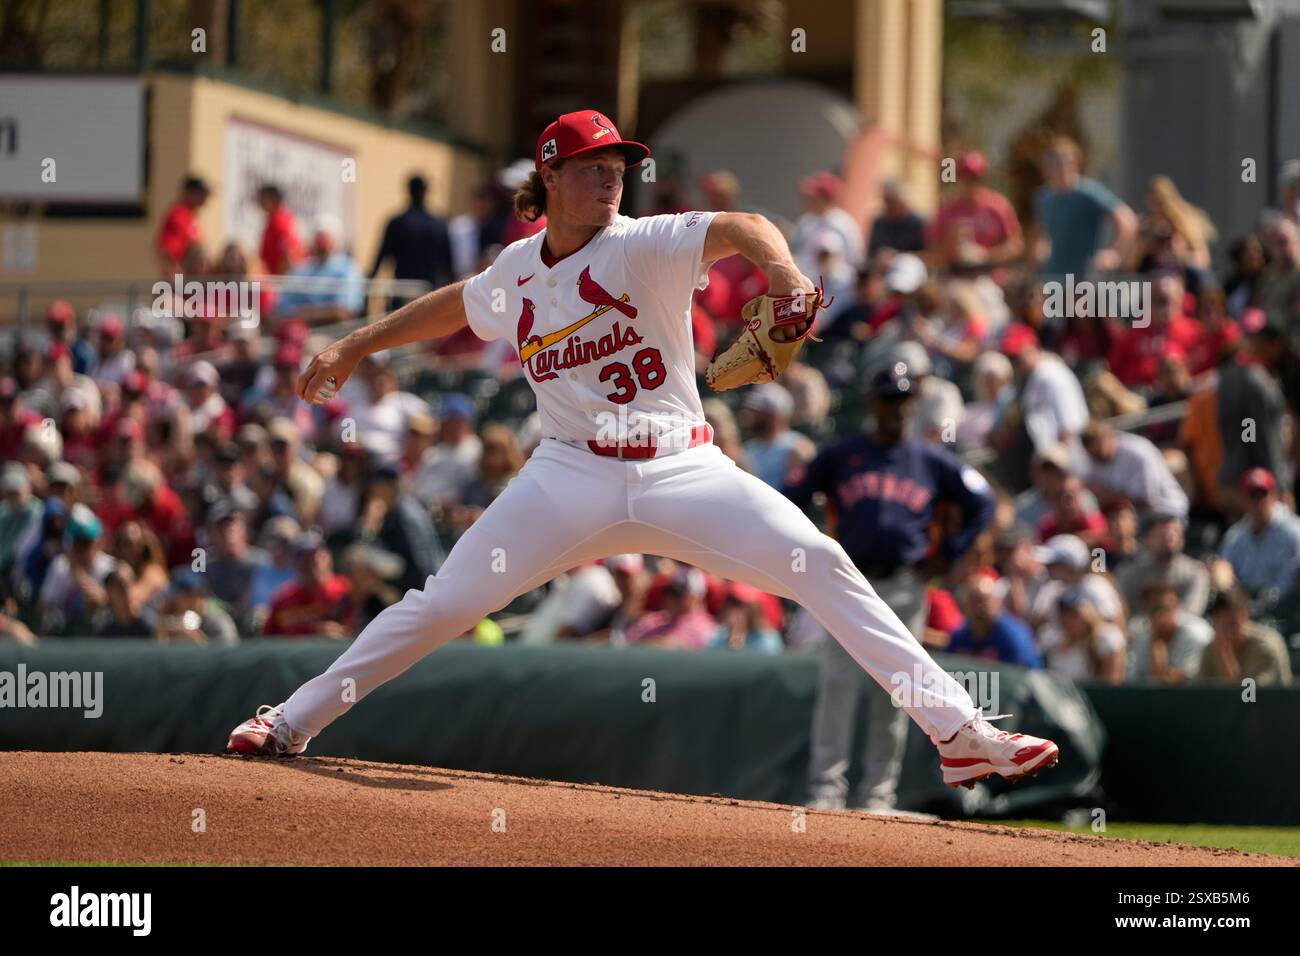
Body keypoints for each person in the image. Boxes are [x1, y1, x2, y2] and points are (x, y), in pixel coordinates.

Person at [226, 107, 1059, 792]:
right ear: (549, 175)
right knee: (445, 604)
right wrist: (356, 345)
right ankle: (291, 721)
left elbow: (743, 224)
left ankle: (960, 733)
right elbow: (458, 304)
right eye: (592, 164)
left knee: (821, 561)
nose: (612, 175)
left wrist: (783, 275)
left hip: (680, 467)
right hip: (567, 474)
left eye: (620, 163)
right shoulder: (516, 269)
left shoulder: (642, 242)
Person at [784, 361, 998, 812]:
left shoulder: (931, 460)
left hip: (904, 585)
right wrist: (811, 550)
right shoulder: (842, 454)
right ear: (872, 402)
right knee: (837, 689)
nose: (896, 408)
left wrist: (948, 553)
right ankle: (827, 793)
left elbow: (982, 501)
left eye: (903, 399)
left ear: (912, 404)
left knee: (899, 696)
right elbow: (791, 497)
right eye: (888, 399)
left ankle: (878, 797)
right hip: (849, 584)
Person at [1032, 135, 1137, 278]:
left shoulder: (1089, 191)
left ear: (1074, 163)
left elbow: (1127, 219)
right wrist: (1041, 249)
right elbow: (1043, 233)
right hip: (1053, 276)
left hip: (1084, 278)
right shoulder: (1044, 197)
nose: (1060, 167)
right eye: (1053, 161)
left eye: (1063, 161)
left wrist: (1115, 253)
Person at [1217, 468, 1300, 609]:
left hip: (1288, 610)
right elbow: (1222, 566)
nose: (1258, 502)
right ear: (1243, 500)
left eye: (1262, 495)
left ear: (1273, 495)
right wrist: (1223, 579)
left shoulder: (1293, 531)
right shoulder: (1237, 535)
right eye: (1252, 496)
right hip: (1247, 610)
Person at [370, 174, 455, 306]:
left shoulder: (397, 222)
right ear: (426, 192)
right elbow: (448, 265)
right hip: (429, 293)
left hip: (401, 292)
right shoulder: (438, 224)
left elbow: (381, 257)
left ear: (408, 190)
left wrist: (368, 292)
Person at [1114, 512, 1209, 617]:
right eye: (1162, 533)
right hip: (1141, 628)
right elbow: (1123, 609)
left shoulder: (1195, 572)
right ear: (1147, 539)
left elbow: (1192, 611)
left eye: (1175, 532)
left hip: (1181, 627)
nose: (1169, 537)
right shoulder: (1131, 572)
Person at [1200, 587, 1293, 686]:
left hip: (1274, 701)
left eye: (1232, 623)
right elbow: (1198, 694)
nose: (1225, 631)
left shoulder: (1263, 646)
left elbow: (1249, 696)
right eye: (1219, 622)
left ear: (1245, 616)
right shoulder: (1212, 647)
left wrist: (1225, 656)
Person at [947, 572, 1042, 668]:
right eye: (972, 601)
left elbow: (1024, 675)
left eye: (982, 600)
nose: (978, 608)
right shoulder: (960, 636)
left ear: (998, 601)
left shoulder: (1013, 636)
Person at [156, 175, 211, 273]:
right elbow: (166, 251)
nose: (204, 198)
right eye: (200, 193)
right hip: (183, 281)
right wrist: (178, 281)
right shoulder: (179, 215)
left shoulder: (190, 215)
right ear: (188, 193)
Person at [256, 184, 303, 276]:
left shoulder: (279, 219)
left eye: (263, 198)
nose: (260, 202)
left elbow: (288, 251)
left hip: (280, 278)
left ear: (273, 199)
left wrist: (283, 280)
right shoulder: (272, 219)